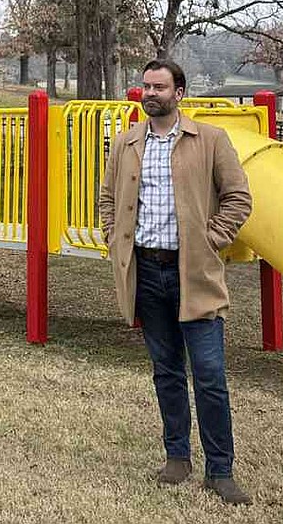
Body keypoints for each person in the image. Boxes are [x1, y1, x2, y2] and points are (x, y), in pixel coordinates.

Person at [98, 59, 253, 505]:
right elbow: (107, 198)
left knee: (209, 376)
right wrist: (114, 236)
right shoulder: (126, 143)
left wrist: (212, 238)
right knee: (166, 372)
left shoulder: (210, 140)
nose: (150, 93)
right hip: (147, 272)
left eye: (159, 87)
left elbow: (239, 197)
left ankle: (220, 471)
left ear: (179, 93)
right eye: (145, 86)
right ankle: (177, 458)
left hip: (195, 273)